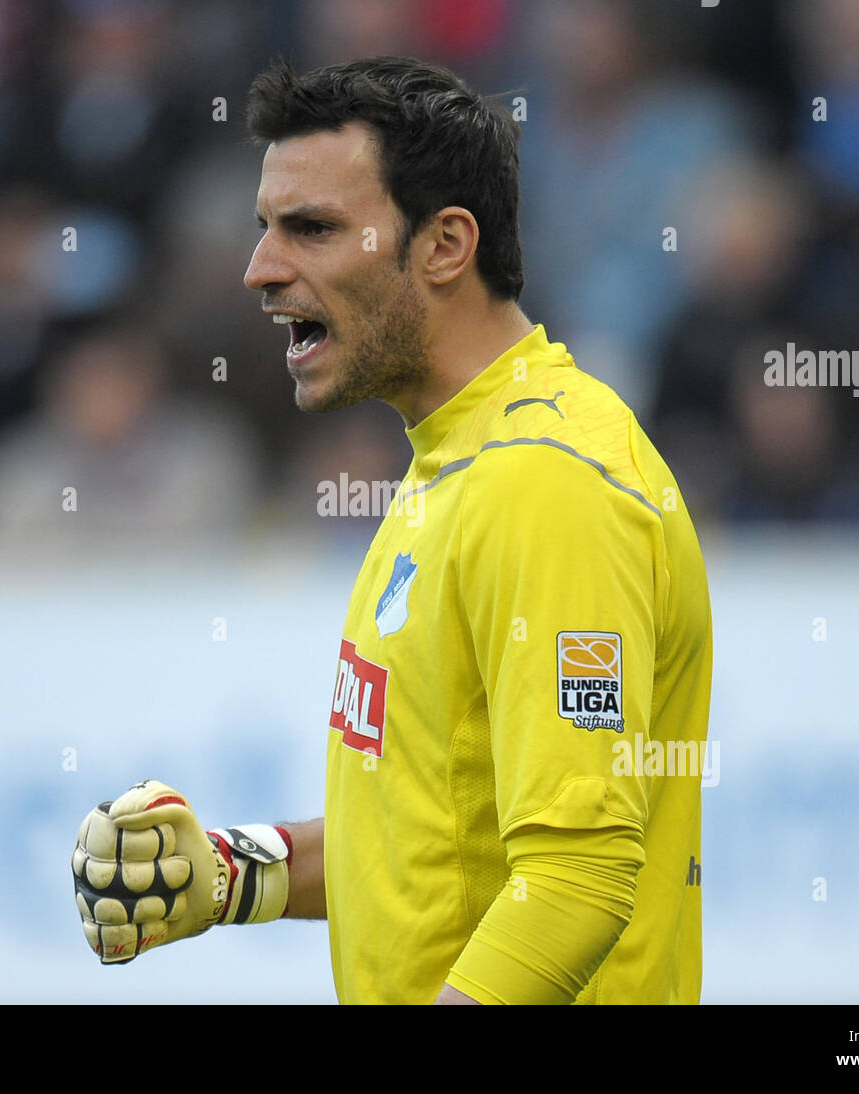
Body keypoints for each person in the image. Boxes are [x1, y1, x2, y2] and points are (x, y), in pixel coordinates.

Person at [71, 56, 713, 1005]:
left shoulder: (545, 483)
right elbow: (434, 839)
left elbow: (575, 881)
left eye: (314, 229)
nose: (260, 270)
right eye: (265, 230)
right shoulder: (454, 462)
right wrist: (235, 872)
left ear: (446, 244)